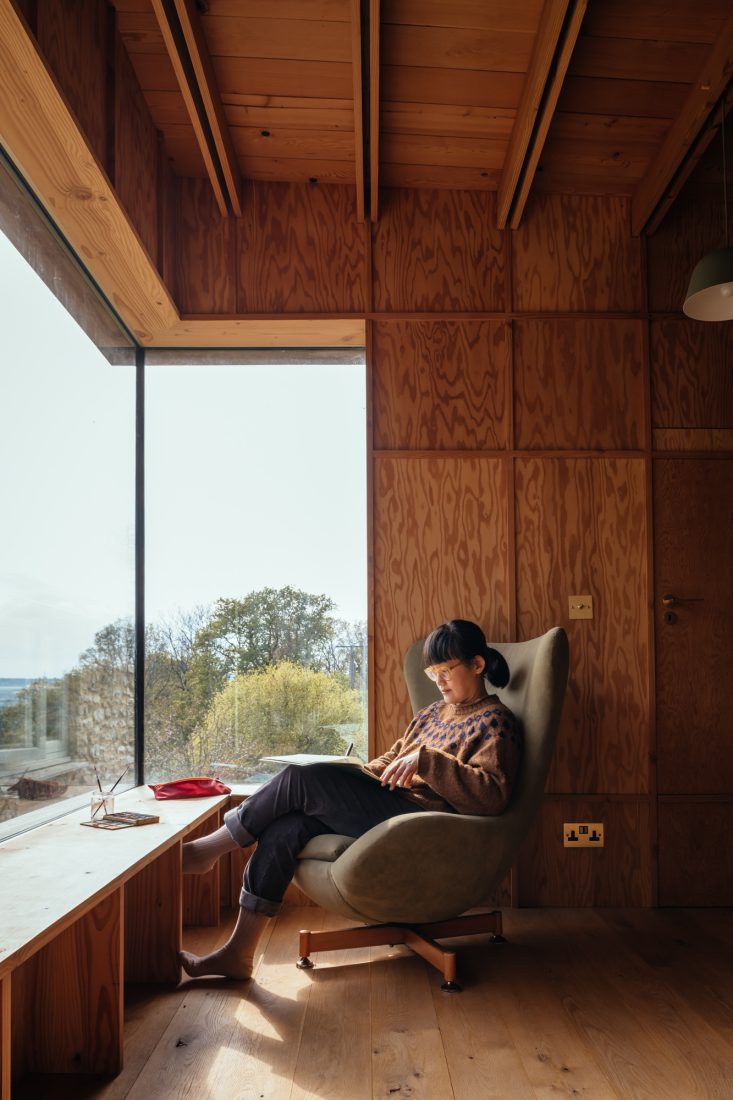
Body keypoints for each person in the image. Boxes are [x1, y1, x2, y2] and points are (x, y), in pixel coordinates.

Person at [179, 618, 521, 980]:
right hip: (387, 804)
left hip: (420, 820)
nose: (438, 680)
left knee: (300, 778)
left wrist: (427, 760)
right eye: (432, 671)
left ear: (477, 665)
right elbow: (392, 760)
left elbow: (491, 796)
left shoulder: (495, 721)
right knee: (286, 826)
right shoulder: (430, 715)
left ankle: (207, 852)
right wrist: (356, 774)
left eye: (446, 670)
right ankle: (238, 954)